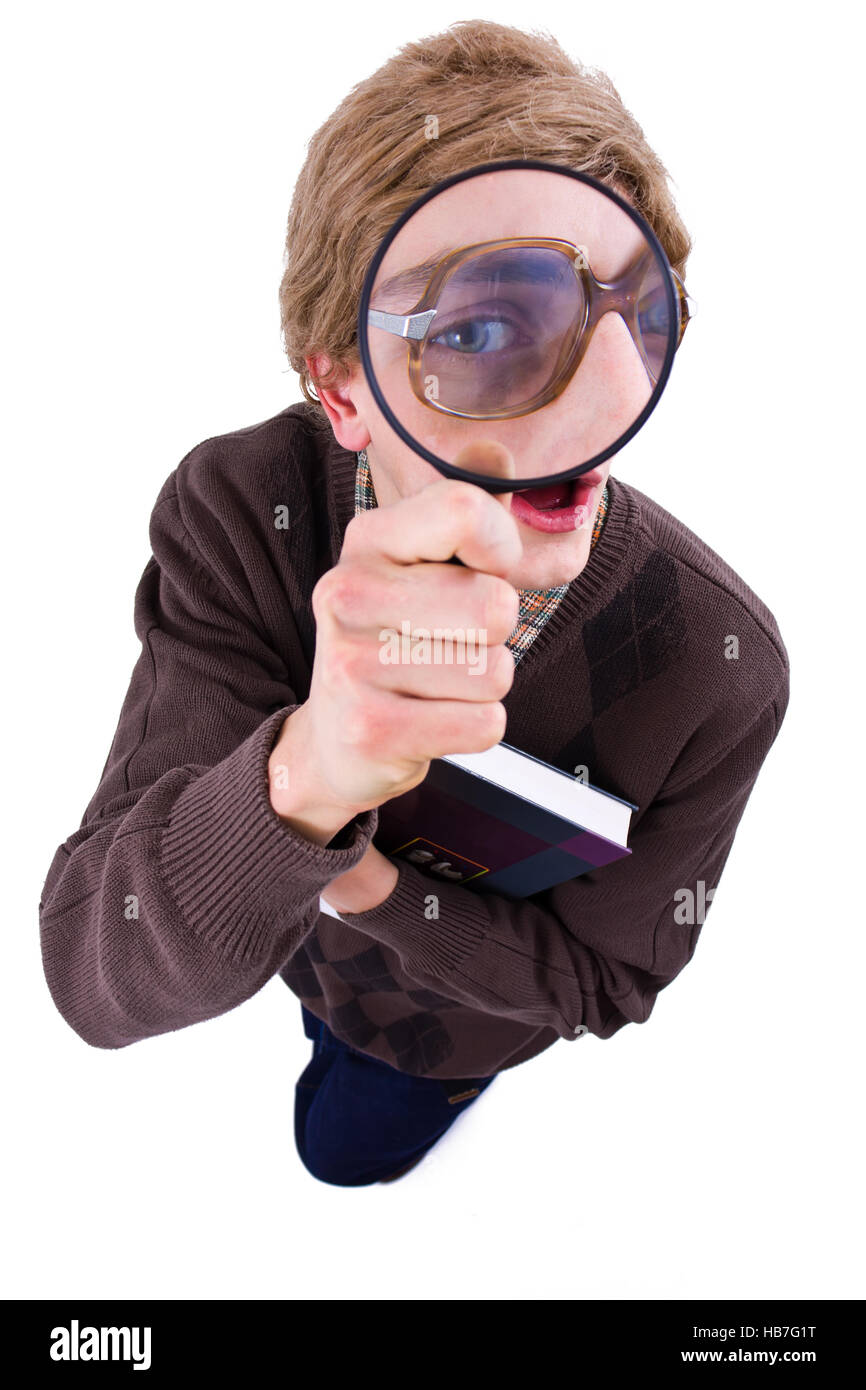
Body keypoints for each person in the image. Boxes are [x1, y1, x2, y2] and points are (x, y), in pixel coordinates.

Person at [38, 20, 790, 1187]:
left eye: (631, 308)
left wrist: (363, 885)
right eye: (483, 327)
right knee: (308, 1009)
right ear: (338, 386)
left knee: (339, 1152)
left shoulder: (719, 662)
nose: (608, 388)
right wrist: (303, 781)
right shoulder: (241, 508)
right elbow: (94, 967)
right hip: (292, 959)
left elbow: (603, 984)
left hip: (450, 1031)